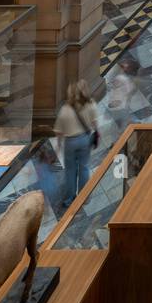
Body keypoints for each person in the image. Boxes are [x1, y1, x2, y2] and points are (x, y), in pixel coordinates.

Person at [55, 80, 99, 208]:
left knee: (70, 170)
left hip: (70, 142)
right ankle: (84, 197)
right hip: (85, 139)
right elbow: (95, 123)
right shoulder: (91, 104)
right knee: (84, 167)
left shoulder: (64, 110)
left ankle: (70, 198)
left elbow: (59, 131)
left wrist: (59, 144)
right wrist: (96, 133)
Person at [106, 56, 147, 135]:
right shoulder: (127, 80)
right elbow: (129, 92)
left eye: (124, 66)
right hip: (122, 104)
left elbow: (114, 88)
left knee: (122, 119)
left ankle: (125, 130)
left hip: (119, 105)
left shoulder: (121, 78)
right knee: (123, 117)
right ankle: (130, 125)